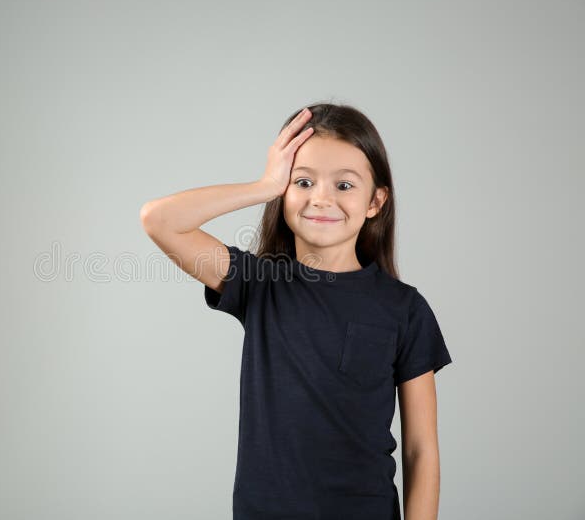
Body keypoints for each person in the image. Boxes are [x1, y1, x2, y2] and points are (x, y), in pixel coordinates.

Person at [139, 101, 452, 520]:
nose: (321, 199)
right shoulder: (258, 283)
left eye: (344, 186)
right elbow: (160, 220)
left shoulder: (405, 309)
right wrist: (264, 184)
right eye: (303, 182)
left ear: (376, 201)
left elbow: (421, 450)